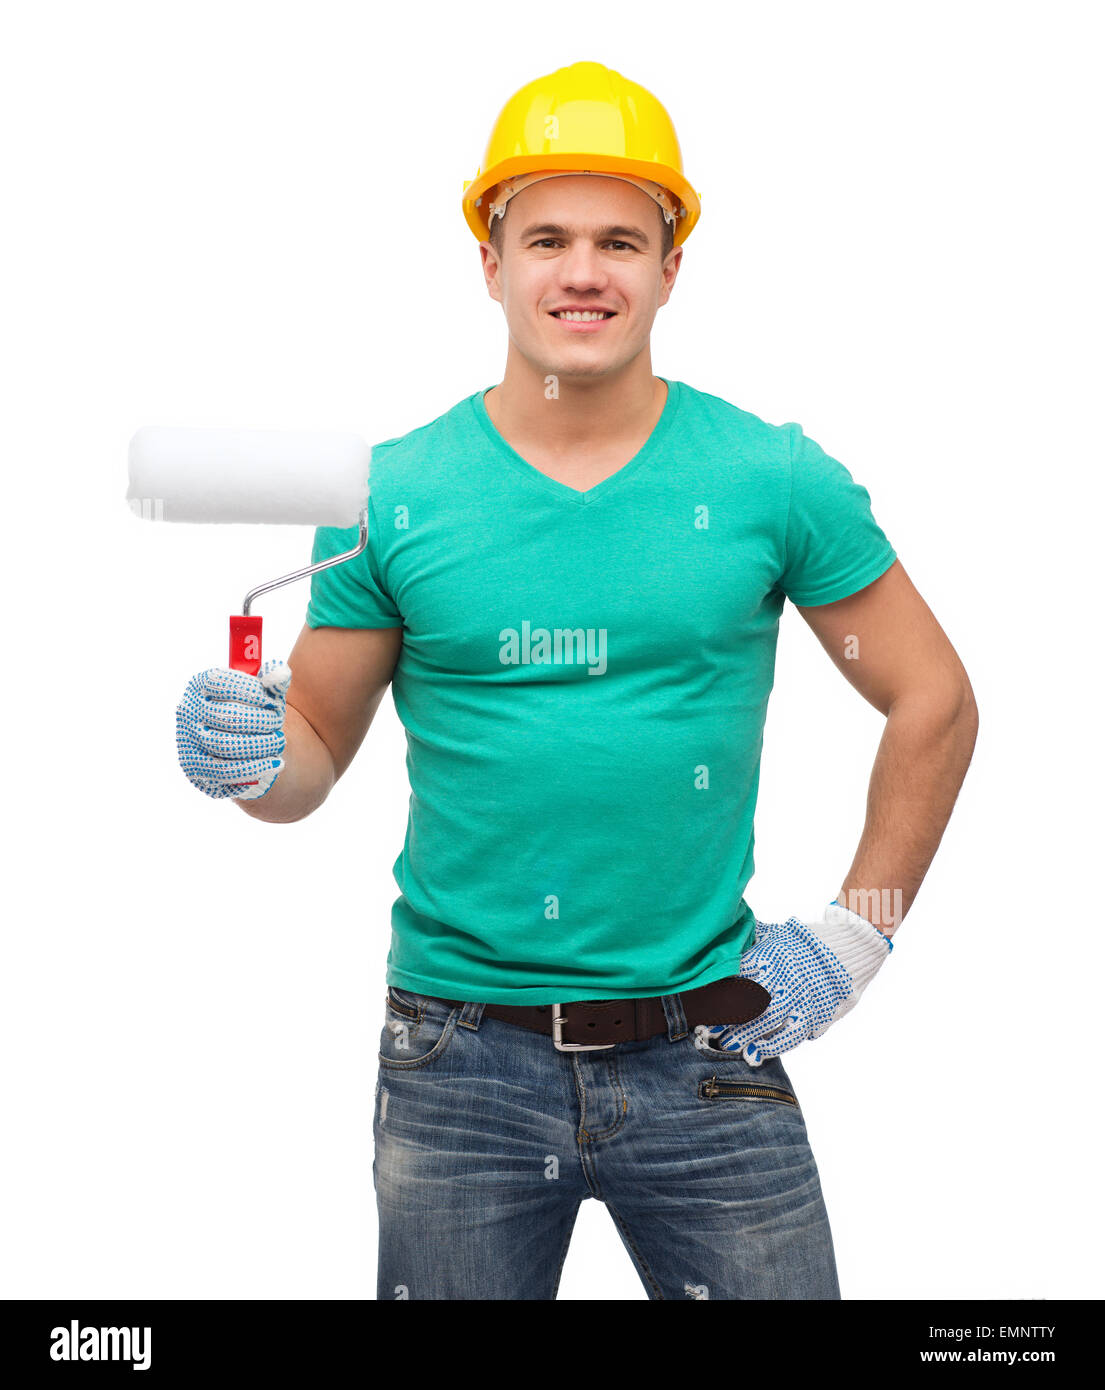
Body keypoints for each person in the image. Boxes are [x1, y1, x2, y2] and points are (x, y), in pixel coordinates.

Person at [177, 60, 979, 1300]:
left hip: (711, 1042)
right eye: (544, 236)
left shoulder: (771, 477)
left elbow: (931, 695)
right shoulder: (389, 497)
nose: (583, 271)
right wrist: (252, 755)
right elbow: (311, 762)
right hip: (455, 1063)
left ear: (671, 265)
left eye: (621, 238)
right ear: (488, 260)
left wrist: (855, 937)